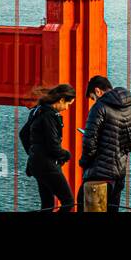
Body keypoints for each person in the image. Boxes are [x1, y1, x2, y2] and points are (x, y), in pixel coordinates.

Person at [78, 75, 131, 212]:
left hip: (98, 174)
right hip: (119, 174)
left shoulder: (99, 108)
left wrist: (84, 162)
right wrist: (117, 149)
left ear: (98, 91)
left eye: (93, 97)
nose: (94, 101)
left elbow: (89, 142)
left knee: (82, 204)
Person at [21, 84, 76, 213]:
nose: (67, 108)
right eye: (68, 104)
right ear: (61, 100)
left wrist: (33, 152)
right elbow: (53, 147)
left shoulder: (38, 110)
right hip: (47, 165)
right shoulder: (50, 116)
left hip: (36, 164)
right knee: (68, 202)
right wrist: (66, 155)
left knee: (47, 204)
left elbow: (23, 134)